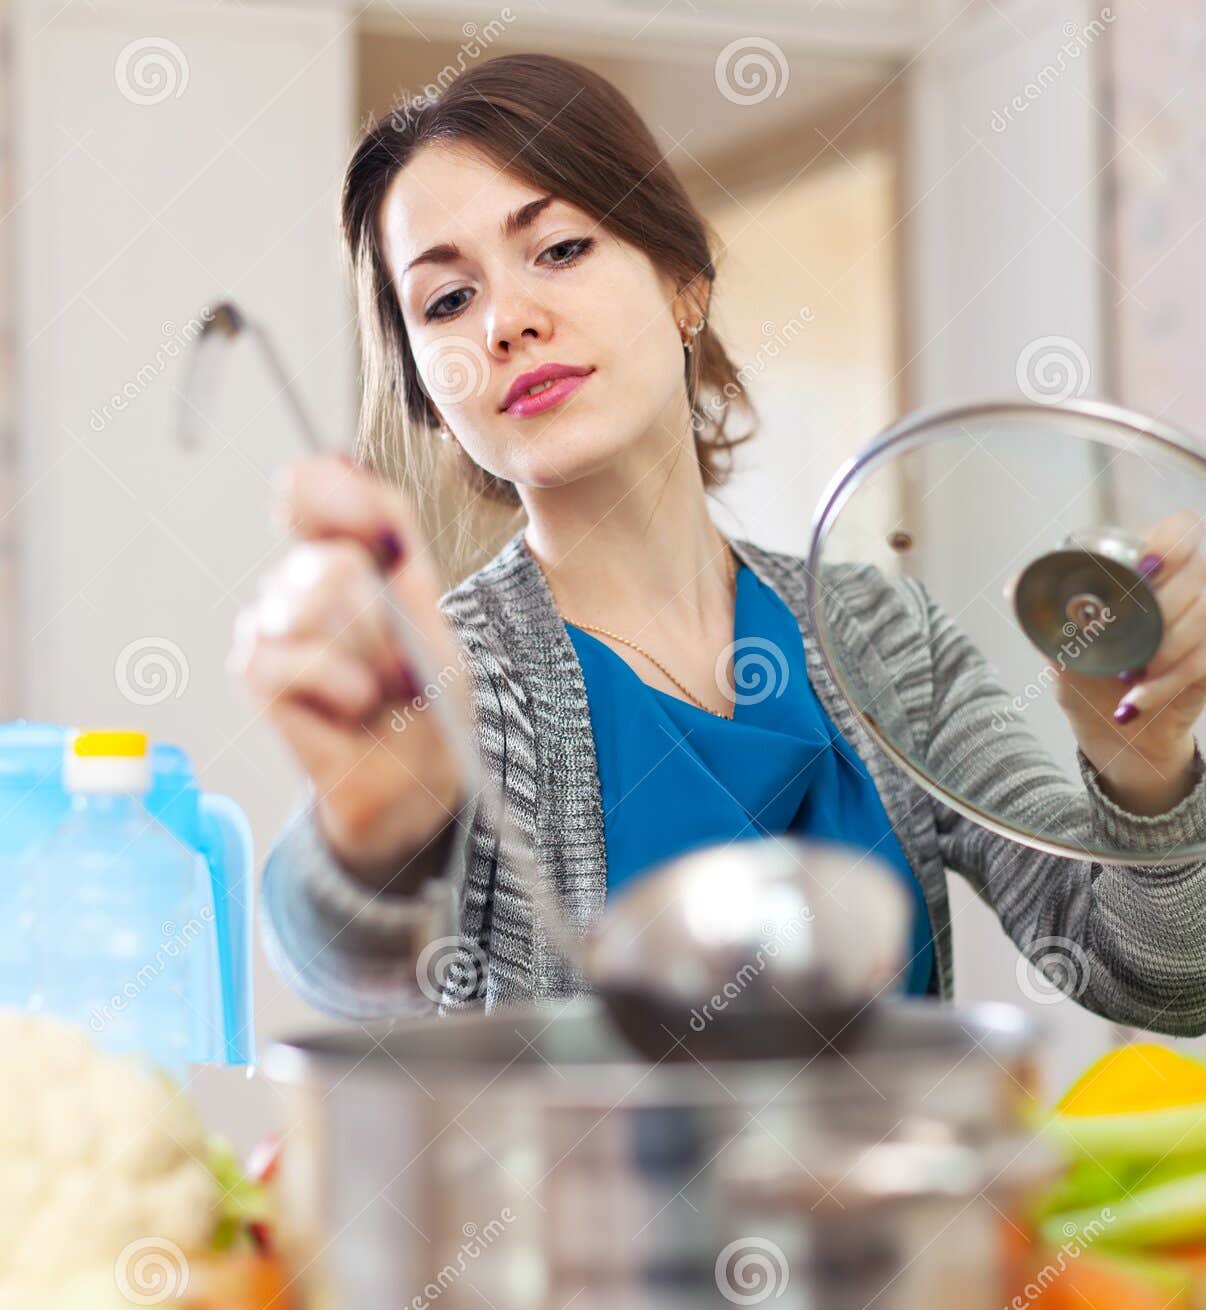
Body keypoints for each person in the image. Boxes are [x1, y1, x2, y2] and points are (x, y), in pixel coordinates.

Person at [231, 53, 1206, 1034]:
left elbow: (1161, 976)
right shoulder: (449, 679)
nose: (508, 322)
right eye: (447, 302)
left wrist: (1143, 760)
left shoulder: (880, 635)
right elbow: (340, 961)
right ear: (433, 402)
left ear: (684, 283)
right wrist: (368, 842)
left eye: (560, 248)